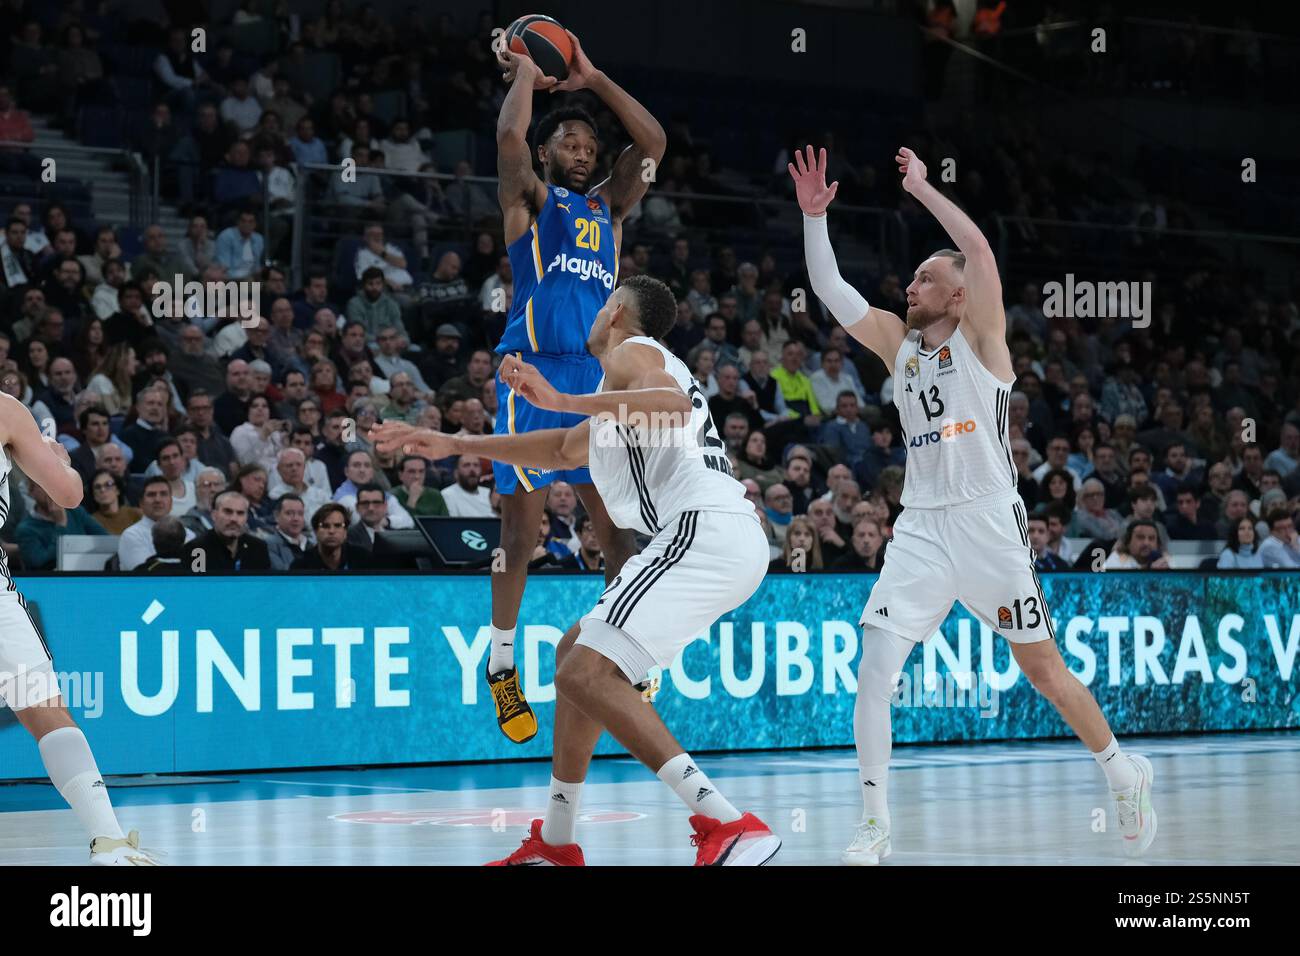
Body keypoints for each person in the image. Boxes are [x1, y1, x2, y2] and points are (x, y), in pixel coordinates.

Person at [793, 144, 1155, 865]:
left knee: (1045, 672)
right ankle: (874, 822)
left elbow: (979, 249)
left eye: (925, 277)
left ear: (957, 295)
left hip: (990, 520)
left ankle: (1122, 771)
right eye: (913, 276)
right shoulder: (899, 344)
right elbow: (831, 289)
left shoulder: (986, 343)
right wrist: (813, 220)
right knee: (875, 664)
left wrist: (923, 189)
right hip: (923, 526)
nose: (911, 284)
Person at [372, 273, 778, 866]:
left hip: (701, 530)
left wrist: (559, 397)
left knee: (586, 672)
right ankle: (557, 841)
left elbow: (668, 405)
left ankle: (728, 821)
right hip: (721, 541)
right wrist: (453, 443)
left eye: (600, 306)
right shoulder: (618, 394)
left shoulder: (633, 354)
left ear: (615, 310)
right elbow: (560, 451)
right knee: (573, 657)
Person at [483, 37, 664, 744]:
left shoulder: (610, 211)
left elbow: (653, 141)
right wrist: (528, 71)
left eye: (590, 142)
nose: (583, 148)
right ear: (549, 151)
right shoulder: (528, 201)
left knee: (617, 524)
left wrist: (595, 77)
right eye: (569, 138)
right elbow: (506, 135)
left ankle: (623, 647)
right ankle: (502, 667)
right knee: (521, 531)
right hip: (529, 368)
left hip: (593, 376)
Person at [0, 391, 160, 863]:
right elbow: (68, 495)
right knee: (45, 709)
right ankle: (108, 841)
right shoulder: (7, 409)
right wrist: (58, 461)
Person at [292, 502, 371, 570]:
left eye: (338, 525)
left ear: (345, 531)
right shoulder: (301, 565)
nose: (331, 531)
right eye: (325, 526)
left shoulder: (363, 559)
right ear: (316, 531)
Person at [1103, 520, 1170, 570]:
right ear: (1128, 543)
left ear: (1158, 544)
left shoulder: (1163, 562)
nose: (1146, 543)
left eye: (1151, 538)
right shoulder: (1117, 559)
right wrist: (1151, 574)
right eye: (1140, 537)